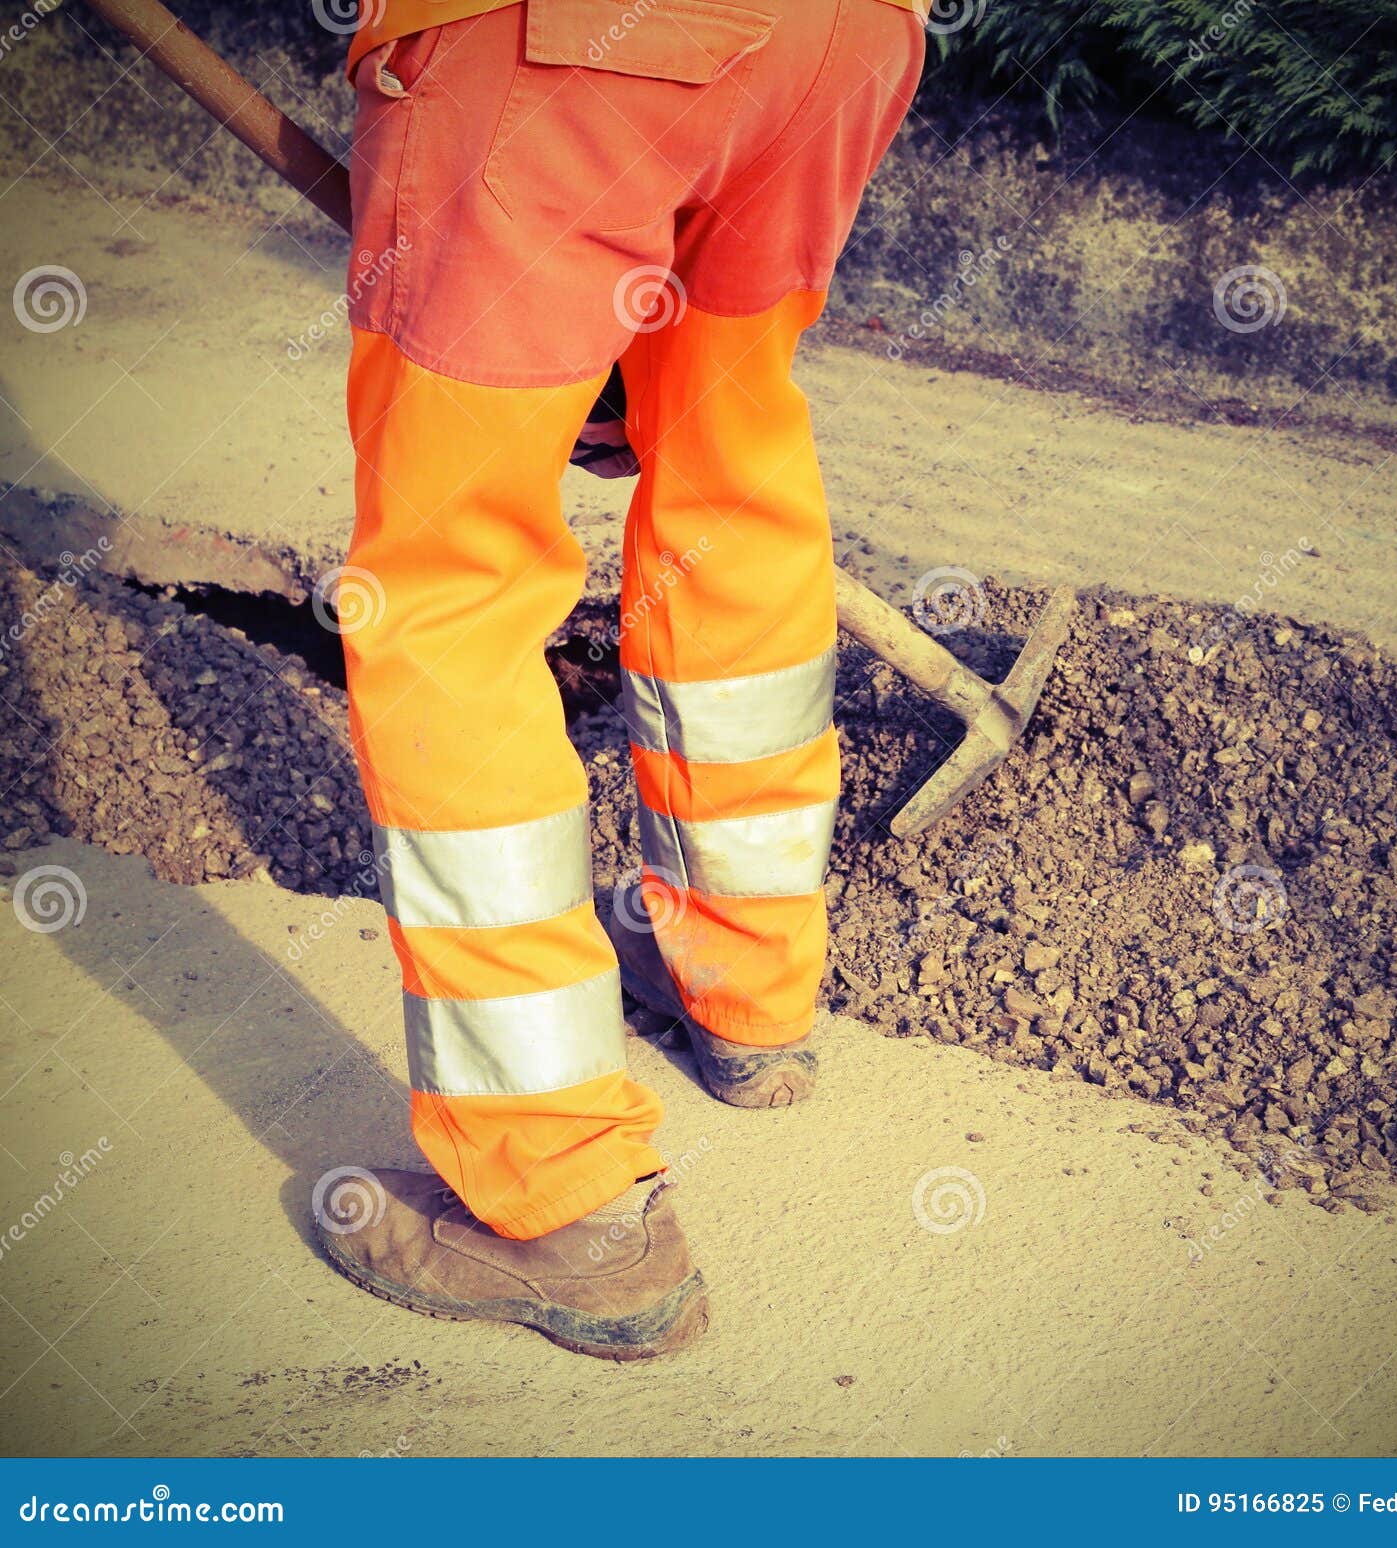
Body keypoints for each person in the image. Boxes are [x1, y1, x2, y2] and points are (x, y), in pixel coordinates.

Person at [312, 0, 927, 1359]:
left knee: (448, 590)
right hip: (836, 39)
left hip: (555, 44)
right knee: (730, 479)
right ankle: (747, 997)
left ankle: (564, 1203)